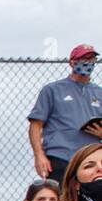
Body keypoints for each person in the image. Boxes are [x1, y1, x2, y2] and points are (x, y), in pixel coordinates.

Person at [28, 44, 102, 183]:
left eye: (91, 59)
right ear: (72, 62)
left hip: (91, 161)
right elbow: (35, 125)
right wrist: (39, 156)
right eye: (83, 58)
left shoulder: (99, 92)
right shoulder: (53, 90)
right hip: (60, 158)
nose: (88, 62)